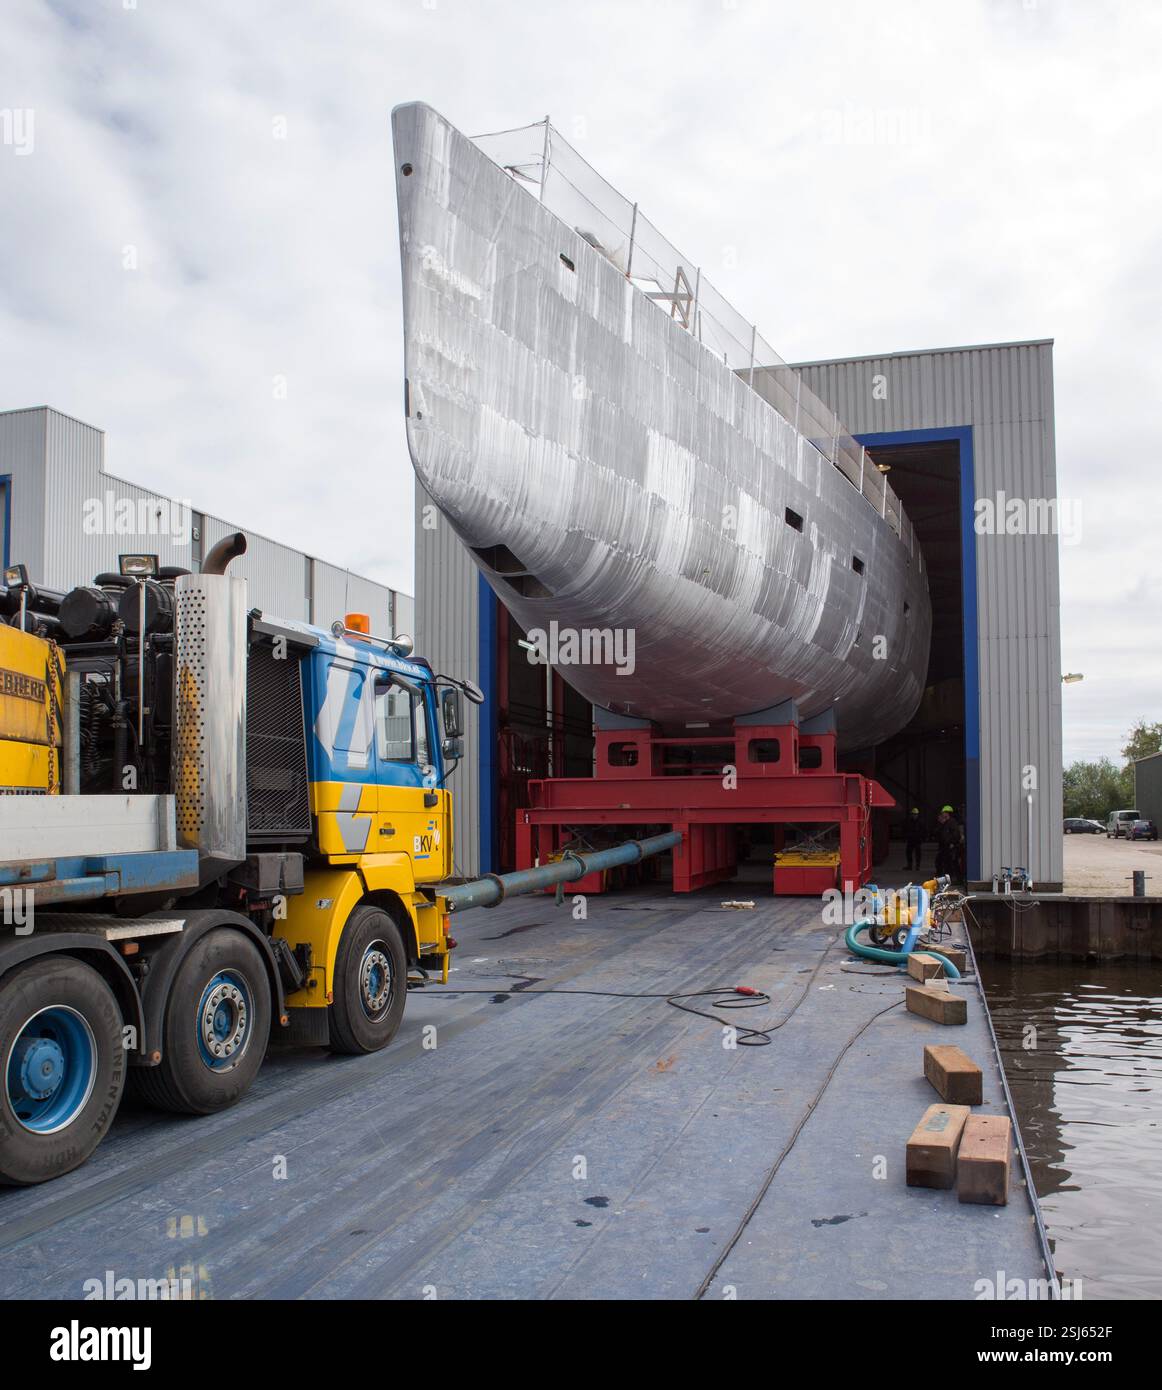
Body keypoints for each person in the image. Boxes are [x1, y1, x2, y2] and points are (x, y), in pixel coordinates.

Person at [934, 804, 964, 879]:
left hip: (950, 847)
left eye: (943, 812)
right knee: (943, 862)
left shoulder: (952, 822)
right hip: (944, 846)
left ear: (947, 813)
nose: (942, 814)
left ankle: (957, 879)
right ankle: (945, 877)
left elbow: (956, 835)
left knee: (952, 863)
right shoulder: (945, 823)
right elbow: (940, 834)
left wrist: (952, 843)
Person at [904, 806, 924, 871]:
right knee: (909, 853)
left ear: (917, 814)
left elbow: (923, 831)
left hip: (917, 840)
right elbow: (906, 829)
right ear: (912, 814)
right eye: (914, 814)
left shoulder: (920, 822)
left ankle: (917, 866)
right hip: (911, 840)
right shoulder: (909, 821)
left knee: (918, 854)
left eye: (916, 814)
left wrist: (922, 838)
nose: (915, 815)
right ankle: (910, 866)